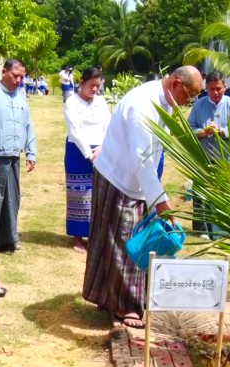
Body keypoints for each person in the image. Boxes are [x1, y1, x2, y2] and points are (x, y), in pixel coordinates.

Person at [83, 66, 203, 329]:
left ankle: (110, 297)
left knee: (123, 240)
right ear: (176, 84)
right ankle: (125, 305)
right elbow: (142, 158)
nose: (188, 103)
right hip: (118, 177)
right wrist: (160, 202)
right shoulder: (142, 106)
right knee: (124, 244)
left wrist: (156, 194)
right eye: (189, 96)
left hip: (134, 180)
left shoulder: (166, 101)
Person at [0, 58, 38, 253]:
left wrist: (31, 151)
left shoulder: (21, 97)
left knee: (12, 198)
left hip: (13, 155)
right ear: (4, 72)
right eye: (15, 75)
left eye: (22, 77)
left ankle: (9, 238)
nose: (19, 80)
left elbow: (28, 125)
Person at [187, 71, 230, 239]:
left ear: (225, 87)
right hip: (202, 157)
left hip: (223, 158)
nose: (216, 92)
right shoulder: (199, 105)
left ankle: (220, 231)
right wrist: (203, 132)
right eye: (212, 89)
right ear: (206, 88)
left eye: (219, 88)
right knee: (201, 194)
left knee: (221, 194)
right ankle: (202, 230)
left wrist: (221, 131)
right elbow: (189, 127)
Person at [63, 67, 111, 253]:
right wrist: (89, 154)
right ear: (82, 82)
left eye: (98, 86)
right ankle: (78, 236)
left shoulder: (101, 102)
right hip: (78, 152)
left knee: (99, 194)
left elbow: (108, 126)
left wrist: (102, 147)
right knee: (80, 195)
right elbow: (75, 131)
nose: (95, 89)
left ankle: (95, 235)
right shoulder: (71, 102)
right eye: (92, 85)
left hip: (101, 151)